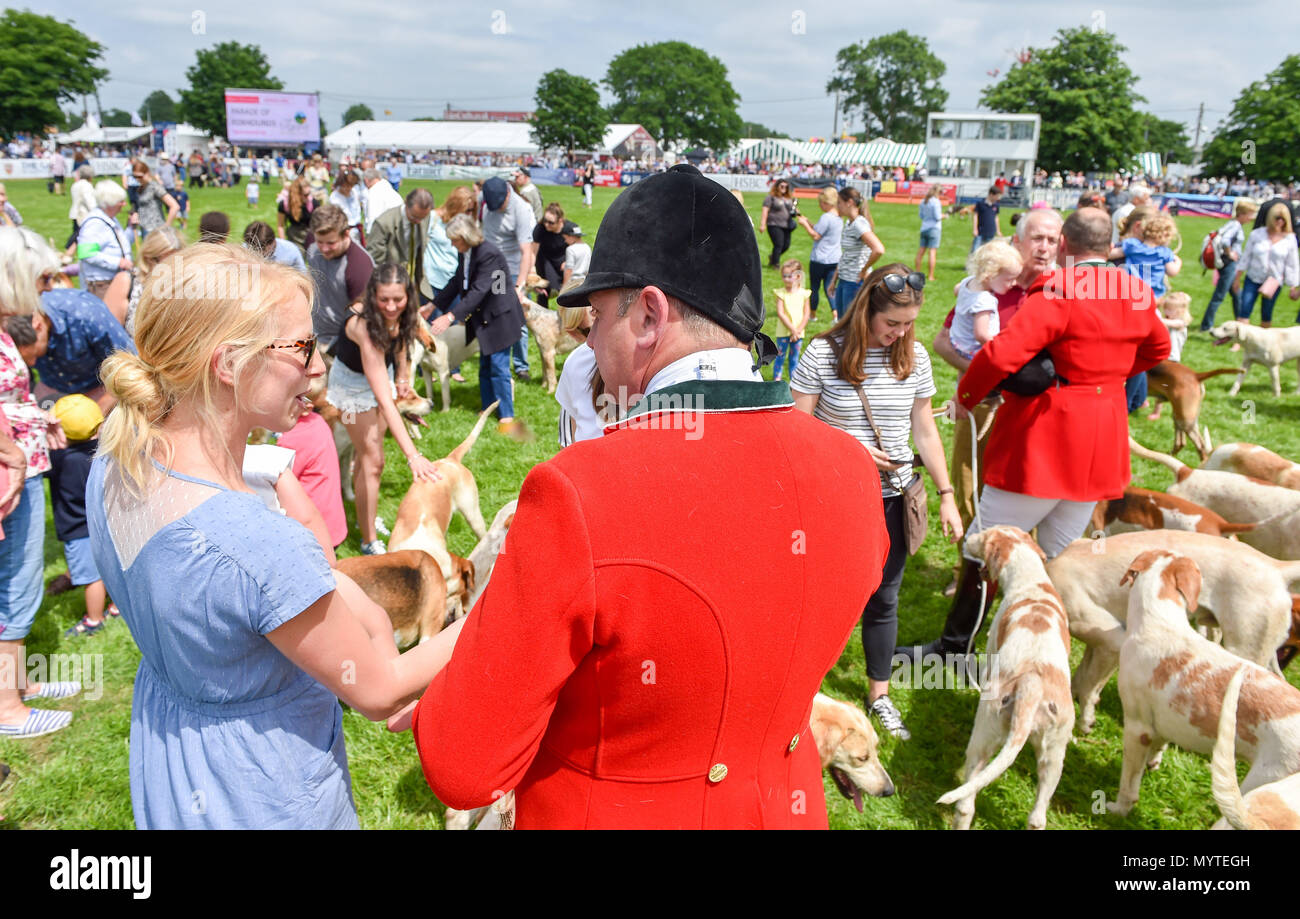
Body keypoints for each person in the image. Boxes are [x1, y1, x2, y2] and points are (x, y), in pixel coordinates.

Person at [413, 164, 889, 829]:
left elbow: (460, 762)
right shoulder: (851, 466)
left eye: (597, 317)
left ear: (649, 314)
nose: (592, 343)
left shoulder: (577, 492)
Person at [86, 242, 463, 828]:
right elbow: (380, 689)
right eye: (301, 347)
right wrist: (505, 605)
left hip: (173, 760)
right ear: (229, 364)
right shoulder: (254, 543)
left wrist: (372, 621)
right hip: (264, 789)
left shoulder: (117, 457)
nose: (318, 368)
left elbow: (266, 591)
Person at [897, 209, 1170, 664]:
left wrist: (967, 393)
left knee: (985, 548)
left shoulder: (1060, 289)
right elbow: (1159, 348)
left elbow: (1002, 353)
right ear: (1112, 245)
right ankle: (1040, 650)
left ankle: (954, 650)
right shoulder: (1136, 289)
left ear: (1064, 245)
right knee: (1055, 557)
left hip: (1044, 442)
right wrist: (1107, 379)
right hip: (1101, 441)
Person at [792, 265, 961, 739]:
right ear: (868, 309)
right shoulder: (823, 355)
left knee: (885, 598)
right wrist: (849, 450)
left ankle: (879, 695)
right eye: (892, 324)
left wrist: (947, 494)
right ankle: (803, 693)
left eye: (909, 324)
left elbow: (925, 429)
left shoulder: (916, 357)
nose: (900, 333)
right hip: (836, 502)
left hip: (893, 499)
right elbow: (797, 432)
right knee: (825, 598)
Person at [933, 208, 1062, 593]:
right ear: (1017, 241)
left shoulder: (1060, 291)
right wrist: (987, 372)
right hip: (982, 403)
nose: (1044, 247)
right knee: (970, 484)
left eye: (1052, 240)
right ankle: (969, 571)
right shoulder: (987, 288)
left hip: (1037, 414)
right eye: (1036, 238)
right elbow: (942, 341)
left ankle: (1022, 576)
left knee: (1032, 493)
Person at [0, 227, 74, 738]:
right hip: (10, 477)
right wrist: (12, 452)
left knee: (17, 579)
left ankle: (19, 683)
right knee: (15, 585)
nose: (47, 286)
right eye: (40, 276)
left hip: (20, 471)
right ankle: (8, 707)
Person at [327, 264, 439, 555]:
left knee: (370, 458)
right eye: (383, 300)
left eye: (398, 300)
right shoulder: (363, 326)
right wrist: (413, 456)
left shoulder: (404, 313)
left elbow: (401, 339)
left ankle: (365, 507)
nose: (391, 306)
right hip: (352, 386)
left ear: (408, 298)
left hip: (381, 374)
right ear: (372, 295)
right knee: (373, 459)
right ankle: (368, 540)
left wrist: (402, 375)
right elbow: (386, 402)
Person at [427, 215, 526, 435]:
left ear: (465, 237)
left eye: (455, 240)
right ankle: (488, 406)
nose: (452, 244)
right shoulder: (466, 253)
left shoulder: (488, 253)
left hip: (500, 317)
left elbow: (479, 290)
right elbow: (456, 282)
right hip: (484, 317)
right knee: (485, 364)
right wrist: (433, 304)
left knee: (499, 366)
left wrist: (450, 316)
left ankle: (507, 415)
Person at [47, 395, 115, 637]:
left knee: (91, 578)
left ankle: (94, 620)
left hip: (77, 529)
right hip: (105, 523)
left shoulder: (57, 459)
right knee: (111, 567)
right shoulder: (105, 452)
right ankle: (116, 606)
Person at [275, 376, 346, 549]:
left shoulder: (292, 440)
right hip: (334, 524)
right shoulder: (318, 421)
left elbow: (277, 488)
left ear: (305, 406)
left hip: (312, 531)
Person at [479, 176, 537, 380]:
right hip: (491, 269)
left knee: (516, 318)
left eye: (500, 205)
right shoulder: (484, 199)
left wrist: (519, 286)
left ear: (507, 194)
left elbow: (526, 251)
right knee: (493, 313)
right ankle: (494, 352)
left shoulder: (520, 209)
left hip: (512, 270)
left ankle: (521, 365)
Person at [305, 204, 374, 349]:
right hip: (312, 335)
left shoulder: (359, 266)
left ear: (346, 234)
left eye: (331, 243)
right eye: (320, 242)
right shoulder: (311, 243)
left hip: (341, 343)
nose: (323, 249)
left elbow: (361, 316)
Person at [949, 241, 1023, 362]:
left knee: (963, 376)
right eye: (1009, 280)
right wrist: (1001, 347)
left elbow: (956, 290)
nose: (1014, 284)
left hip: (957, 341)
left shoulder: (969, 281)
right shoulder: (984, 301)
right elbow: (981, 334)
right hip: (972, 349)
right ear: (990, 276)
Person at [1234, 201, 1299, 330]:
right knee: (1245, 307)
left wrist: (1293, 286)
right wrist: (1237, 278)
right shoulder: (1257, 234)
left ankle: (1263, 342)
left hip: (1273, 281)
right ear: (1270, 218)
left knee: (1266, 312)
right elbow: (1246, 257)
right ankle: (1239, 342)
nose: (1279, 221)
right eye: (1277, 218)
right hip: (1253, 277)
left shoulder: (1290, 239)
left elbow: (1292, 264)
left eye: (1283, 219)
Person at [76, 180, 133, 324]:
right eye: (121, 201)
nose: (124, 204)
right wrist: (117, 262)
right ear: (110, 203)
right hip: (102, 284)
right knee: (109, 322)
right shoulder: (94, 223)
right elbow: (85, 253)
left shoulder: (110, 220)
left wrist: (131, 228)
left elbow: (121, 245)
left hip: (115, 280)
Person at [1198, 198, 1258, 331]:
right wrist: (1230, 253)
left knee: (1237, 294)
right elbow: (1225, 241)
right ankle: (1206, 325)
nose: (1251, 218)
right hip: (1229, 264)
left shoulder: (1232, 224)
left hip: (1228, 264)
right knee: (1219, 295)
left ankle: (1241, 322)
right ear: (1242, 214)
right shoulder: (1235, 225)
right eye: (1250, 214)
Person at [828, 187, 885, 321]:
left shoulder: (859, 225)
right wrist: (834, 280)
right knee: (842, 322)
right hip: (844, 279)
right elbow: (846, 254)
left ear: (849, 203)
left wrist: (864, 270)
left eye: (839, 203)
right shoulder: (849, 223)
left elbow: (878, 249)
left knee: (850, 323)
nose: (837, 207)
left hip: (854, 281)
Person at [366, 188, 432, 304]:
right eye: (414, 217)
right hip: (389, 286)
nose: (418, 221)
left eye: (422, 218)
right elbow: (374, 261)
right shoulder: (383, 223)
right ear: (406, 204)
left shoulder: (424, 217)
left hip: (412, 284)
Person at [125, 225, 184, 336]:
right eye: (165, 262)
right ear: (149, 258)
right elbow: (113, 330)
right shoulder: (129, 281)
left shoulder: (184, 285)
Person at [797, 186, 842, 322]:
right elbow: (819, 229)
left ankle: (813, 315)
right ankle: (835, 314)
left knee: (815, 288)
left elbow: (816, 235)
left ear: (826, 203)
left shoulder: (826, 217)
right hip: (834, 259)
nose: (819, 206)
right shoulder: (838, 217)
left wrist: (804, 225)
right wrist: (807, 220)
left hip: (819, 259)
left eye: (820, 203)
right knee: (830, 287)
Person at [772, 258, 810, 382]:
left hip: (798, 334)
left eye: (789, 276)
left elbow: (806, 314)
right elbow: (781, 313)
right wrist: (793, 330)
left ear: (798, 276)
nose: (786, 279)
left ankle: (794, 383)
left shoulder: (805, 294)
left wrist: (797, 331)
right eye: (784, 275)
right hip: (783, 332)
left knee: (794, 359)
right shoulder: (780, 293)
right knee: (780, 357)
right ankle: (777, 382)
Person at [530, 203, 568, 309]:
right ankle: (542, 313)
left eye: (551, 222)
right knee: (546, 287)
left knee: (567, 288)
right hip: (544, 260)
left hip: (562, 260)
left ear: (560, 220)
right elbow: (533, 252)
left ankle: (569, 317)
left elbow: (576, 246)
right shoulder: (540, 228)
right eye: (545, 220)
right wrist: (532, 268)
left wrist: (568, 262)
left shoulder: (568, 228)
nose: (546, 224)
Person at [131, 161, 178, 242]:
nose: (137, 179)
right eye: (135, 177)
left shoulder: (154, 187)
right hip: (144, 228)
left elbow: (175, 206)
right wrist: (135, 214)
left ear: (147, 173)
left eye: (140, 176)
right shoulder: (141, 188)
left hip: (155, 229)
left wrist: (166, 226)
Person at [760, 178, 798, 269]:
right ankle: (775, 264)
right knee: (778, 244)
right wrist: (762, 224)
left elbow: (794, 209)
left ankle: (773, 257)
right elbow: (765, 211)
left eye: (786, 186)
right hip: (774, 224)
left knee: (786, 245)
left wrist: (797, 213)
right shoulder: (771, 197)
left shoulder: (789, 198)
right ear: (777, 187)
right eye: (782, 186)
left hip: (787, 225)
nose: (784, 188)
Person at [276, 174, 314, 254]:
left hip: (311, 234)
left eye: (309, 193)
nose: (308, 197)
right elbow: (280, 225)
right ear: (297, 194)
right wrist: (284, 244)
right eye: (305, 195)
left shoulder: (313, 203)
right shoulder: (285, 204)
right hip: (294, 236)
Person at [361, 167, 403, 236]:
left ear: (366, 180)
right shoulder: (388, 189)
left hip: (385, 232)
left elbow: (373, 217)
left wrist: (369, 235)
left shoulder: (374, 192)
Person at [915, 186, 945, 281]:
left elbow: (921, 215)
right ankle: (931, 276)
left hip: (924, 228)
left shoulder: (924, 201)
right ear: (938, 192)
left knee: (921, 251)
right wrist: (944, 215)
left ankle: (917, 272)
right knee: (932, 252)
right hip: (934, 228)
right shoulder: (936, 202)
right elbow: (937, 217)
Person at [66, 165, 97, 254]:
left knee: (77, 235)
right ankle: (68, 254)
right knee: (80, 236)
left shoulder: (76, 184)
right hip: (83, 214)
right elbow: (89, 201)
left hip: (75, 213)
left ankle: (69, 254)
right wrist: (96, 211)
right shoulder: (86, 186)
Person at [328, 168, 364, 244]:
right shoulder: (335, 197)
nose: (349, 188)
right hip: (344, 230)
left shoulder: (354, 192)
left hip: (356, 229)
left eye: (351, 185)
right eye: (346, 185)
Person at [971, 185, 1003, 252]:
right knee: (975, 250)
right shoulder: (980, 204)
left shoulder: (996, 205)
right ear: (991, 194)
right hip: (980, 232)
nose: (998, 198)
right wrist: (975, 229)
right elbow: (975, 216)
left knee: (989, 252)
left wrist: (998, 230)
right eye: (997, 196)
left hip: (991, 232)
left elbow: (996, 218)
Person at [560, 221, 591, 289]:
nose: (565, 241)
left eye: (565, 238)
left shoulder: (570, 249)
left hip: (573, 283)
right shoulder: (587, 247)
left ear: (571, 236)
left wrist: (564, 287)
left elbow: (569, 270)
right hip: (585, 282)